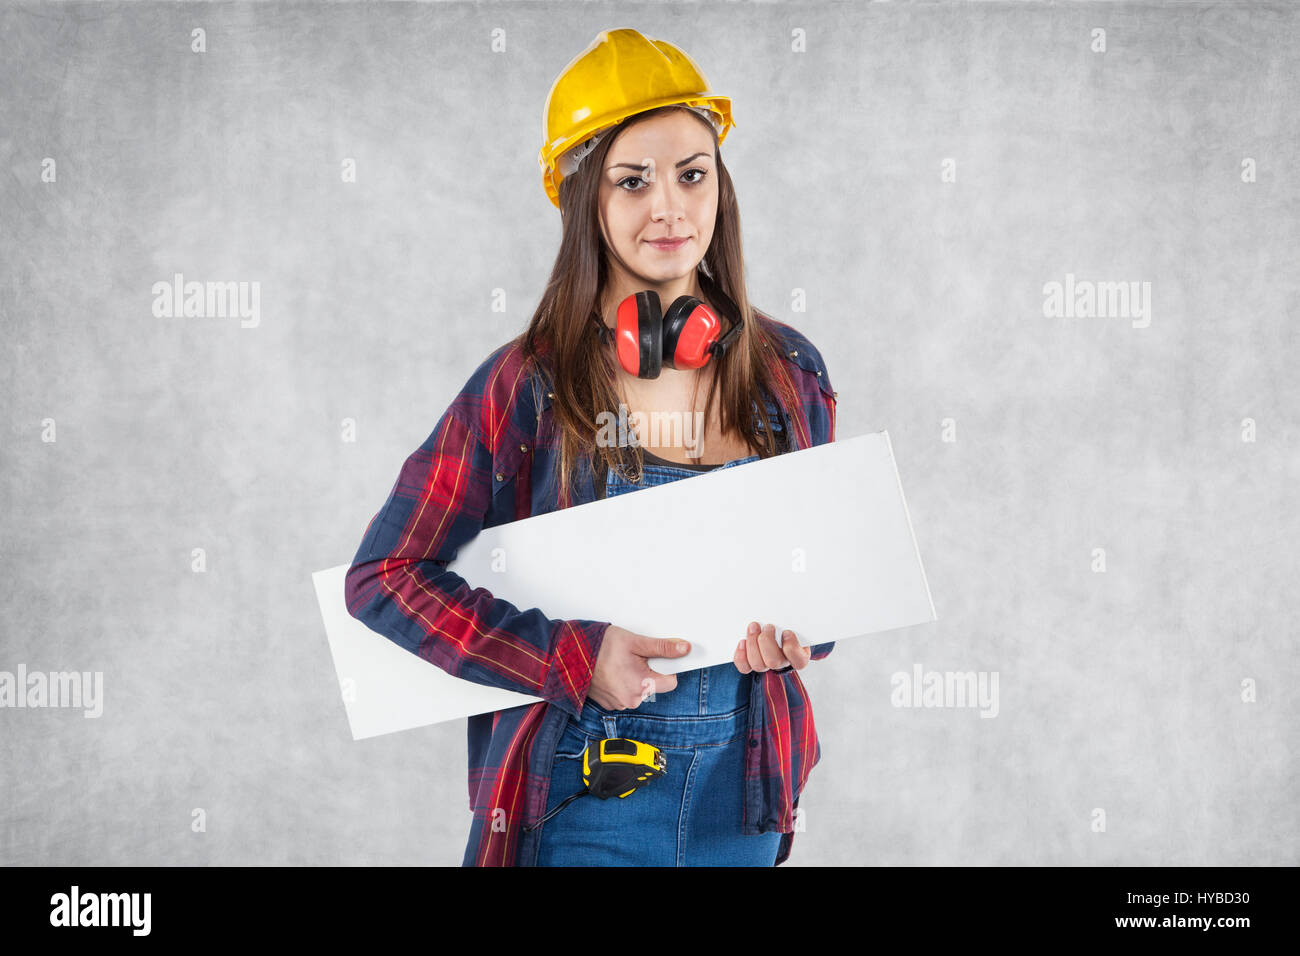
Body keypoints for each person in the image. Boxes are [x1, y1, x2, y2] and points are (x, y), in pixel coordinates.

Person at [344, 28, 838, 866]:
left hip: (744, 803)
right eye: (632, 181)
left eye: (693, 173)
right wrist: (572, 656)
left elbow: (821, 589)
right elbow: (383, 579)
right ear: (585, 201)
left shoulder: (788, 372)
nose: (671, 208)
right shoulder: (525, 386)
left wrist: (801, 633)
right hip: (581, 800)